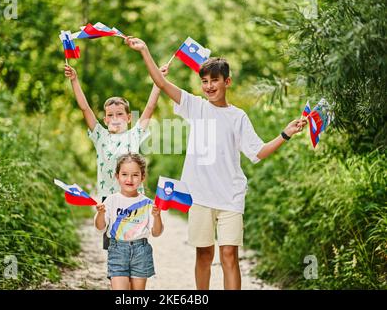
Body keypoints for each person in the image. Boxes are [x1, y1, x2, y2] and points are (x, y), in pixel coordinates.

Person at [125, 36, 307, 290]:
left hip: (231, 197)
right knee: (204, 255)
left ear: (227, 81)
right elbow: (161, 82)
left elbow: (258, 152)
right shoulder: (195, 106)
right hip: (200, 196)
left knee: (229, 255)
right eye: (205, 82)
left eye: (214, 81)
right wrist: (144, 50)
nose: (209, 86)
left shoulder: (238, 117)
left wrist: (285, 133)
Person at [64, 64, 167, 249]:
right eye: (110, 115)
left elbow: (150, 106)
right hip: (109, 199)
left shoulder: (134, 134)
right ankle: (117, 277)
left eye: (120, 114)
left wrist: (157, 82)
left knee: (135, 243)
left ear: (128, 118)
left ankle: (134, 275)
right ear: (105, 120)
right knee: (114, 247)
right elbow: (85, 108)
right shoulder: (100, 136)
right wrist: (74, 80)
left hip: (135, 198)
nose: (115, 118)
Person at [94, 153, 163, 290]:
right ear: (117, 176)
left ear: (142, 177)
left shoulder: (147, 203)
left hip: (141, 251)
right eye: (124, 174)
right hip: (117, 250)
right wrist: (100, 214)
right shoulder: (112, 200)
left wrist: (157, 216)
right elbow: (100, 227)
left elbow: (156, 232)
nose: (129, 179)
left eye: (135, 175)